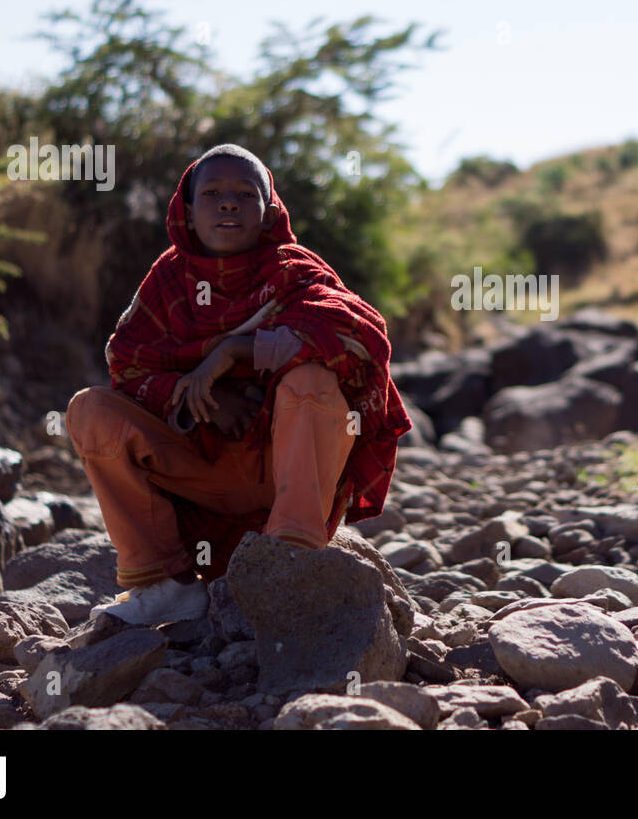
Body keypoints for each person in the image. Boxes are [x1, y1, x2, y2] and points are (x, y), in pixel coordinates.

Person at [65, 143, 411, 625]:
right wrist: (201, 396)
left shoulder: (294, 271)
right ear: (187, 210)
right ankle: (166, 586)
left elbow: (361, 335)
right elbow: (128, 366)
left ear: (269, 212)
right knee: (90, 410)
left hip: (285, 470)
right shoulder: (169, 279)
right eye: (212, 193)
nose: (228, 203)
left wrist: (234, 351)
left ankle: (288, 564)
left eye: (244, 194)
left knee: (311, 377)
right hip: (200, 469)